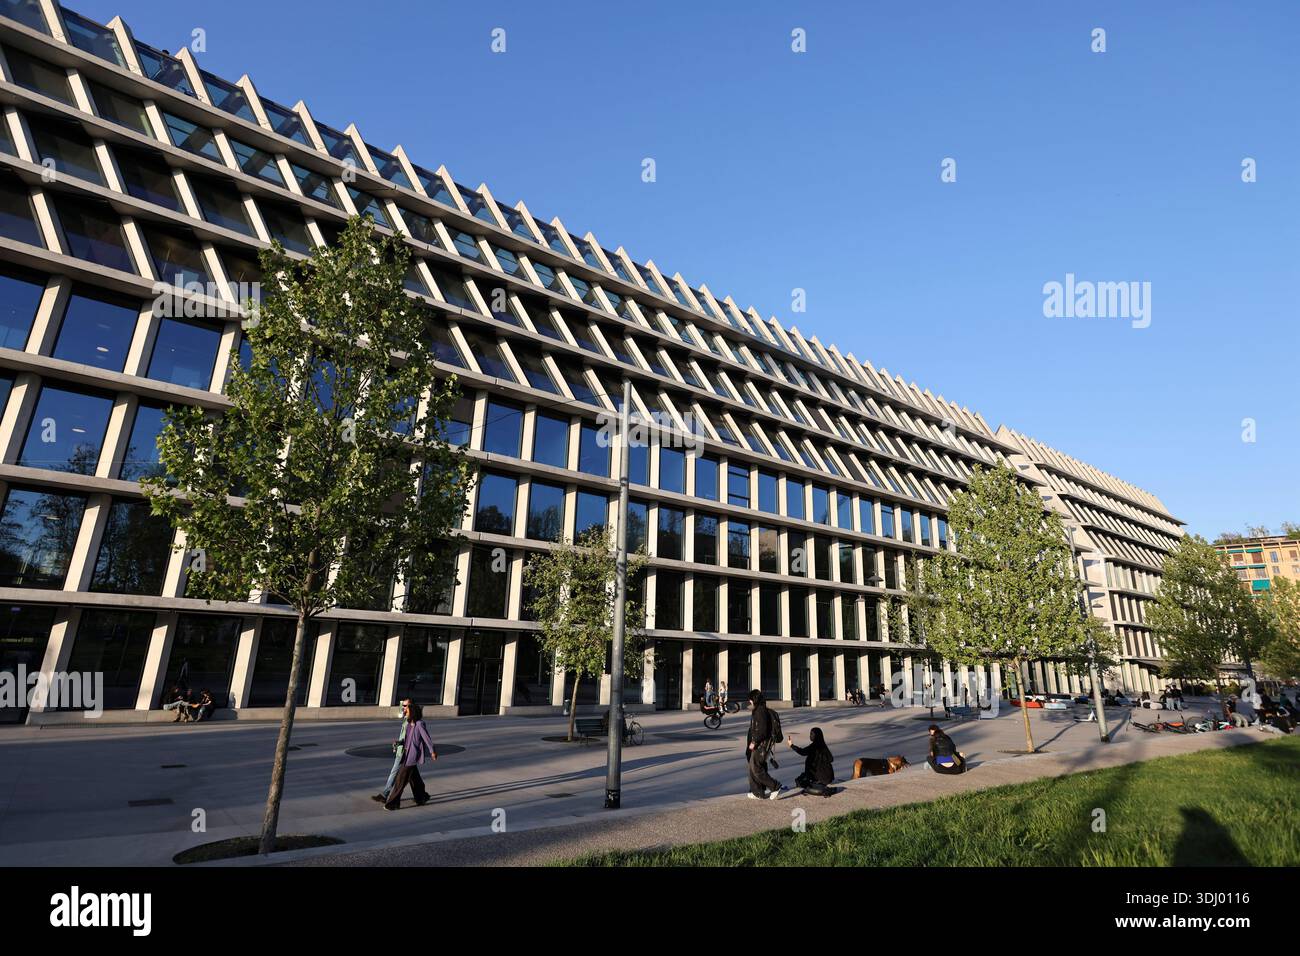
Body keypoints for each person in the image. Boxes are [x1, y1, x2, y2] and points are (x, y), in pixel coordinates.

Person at [384, 701, 437, 810]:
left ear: (412, 712)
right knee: (415, 778)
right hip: (406, 754)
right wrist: (399, 743)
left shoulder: (419, 724)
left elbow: (427, 739)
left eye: (407, 710)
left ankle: (393, 803)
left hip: (412, 756)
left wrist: (432, 751)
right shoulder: (409, 724)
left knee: (400, 779)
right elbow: (407, 739)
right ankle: (421, 797)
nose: (405, 711)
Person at [745, 689, 785, 800]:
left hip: (761, 745)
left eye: (750, 699)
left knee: (756, 769)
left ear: (754, 699)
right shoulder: (760, 709)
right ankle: (758, 792)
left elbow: (762, 731)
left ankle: (775, 786)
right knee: (753, 768)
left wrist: (754, 742)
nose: (750, 702)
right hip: (761, 745)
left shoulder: (760, 711)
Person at [373, 698, 412, 804]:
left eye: (405, 706)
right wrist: (398, 743)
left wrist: (400, 744)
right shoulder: (406, 718)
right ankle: (421, 795)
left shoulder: (411, 721)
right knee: (413, 776)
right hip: (402, 750)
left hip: (405, 752)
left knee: (395, 773)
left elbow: (411, 738)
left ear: (411, 707)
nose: (403, 708)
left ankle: (385, 795)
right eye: (403, 706)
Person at [787, 727, 834, 795]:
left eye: (812, 734)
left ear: (816, 736)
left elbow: (802, 752)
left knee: (799, 781)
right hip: (828, 777)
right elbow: (831, 759)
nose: (810, 736)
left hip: (820, 778)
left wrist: (791, 745)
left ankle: (815, 783)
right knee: (802, 777)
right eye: (810, 734)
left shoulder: (814, 746)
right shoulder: (823, 745)